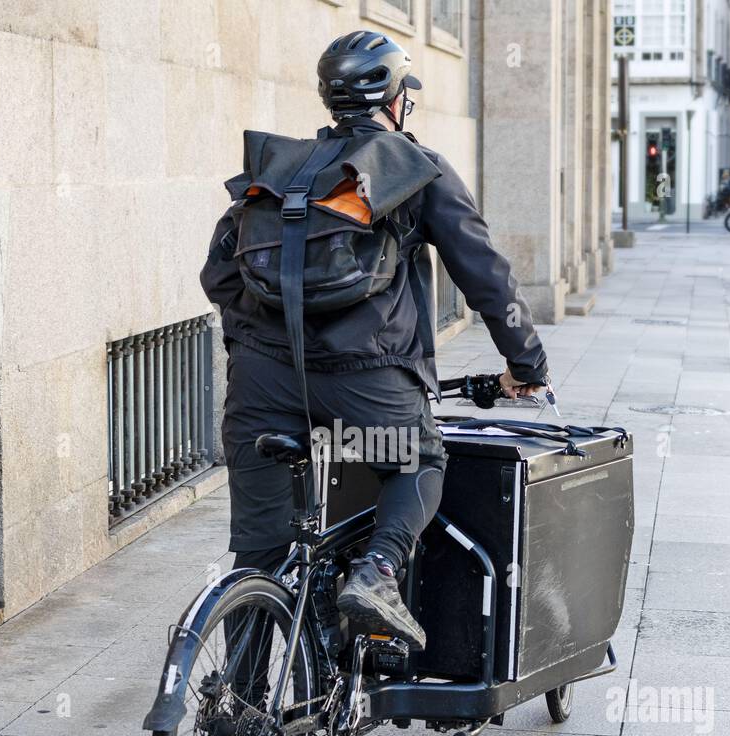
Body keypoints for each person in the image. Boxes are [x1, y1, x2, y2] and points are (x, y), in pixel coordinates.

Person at [201, 31, 549, 650]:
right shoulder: (416, 169)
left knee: (258, 556)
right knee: (417, 460)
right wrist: (527, 361)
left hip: (259, 390)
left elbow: (220, 277)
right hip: (369, 390)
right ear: (394, 99)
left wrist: (256, 352)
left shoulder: (280, 169)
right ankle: (377, 571)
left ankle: (242, 713)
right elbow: (487, 275)